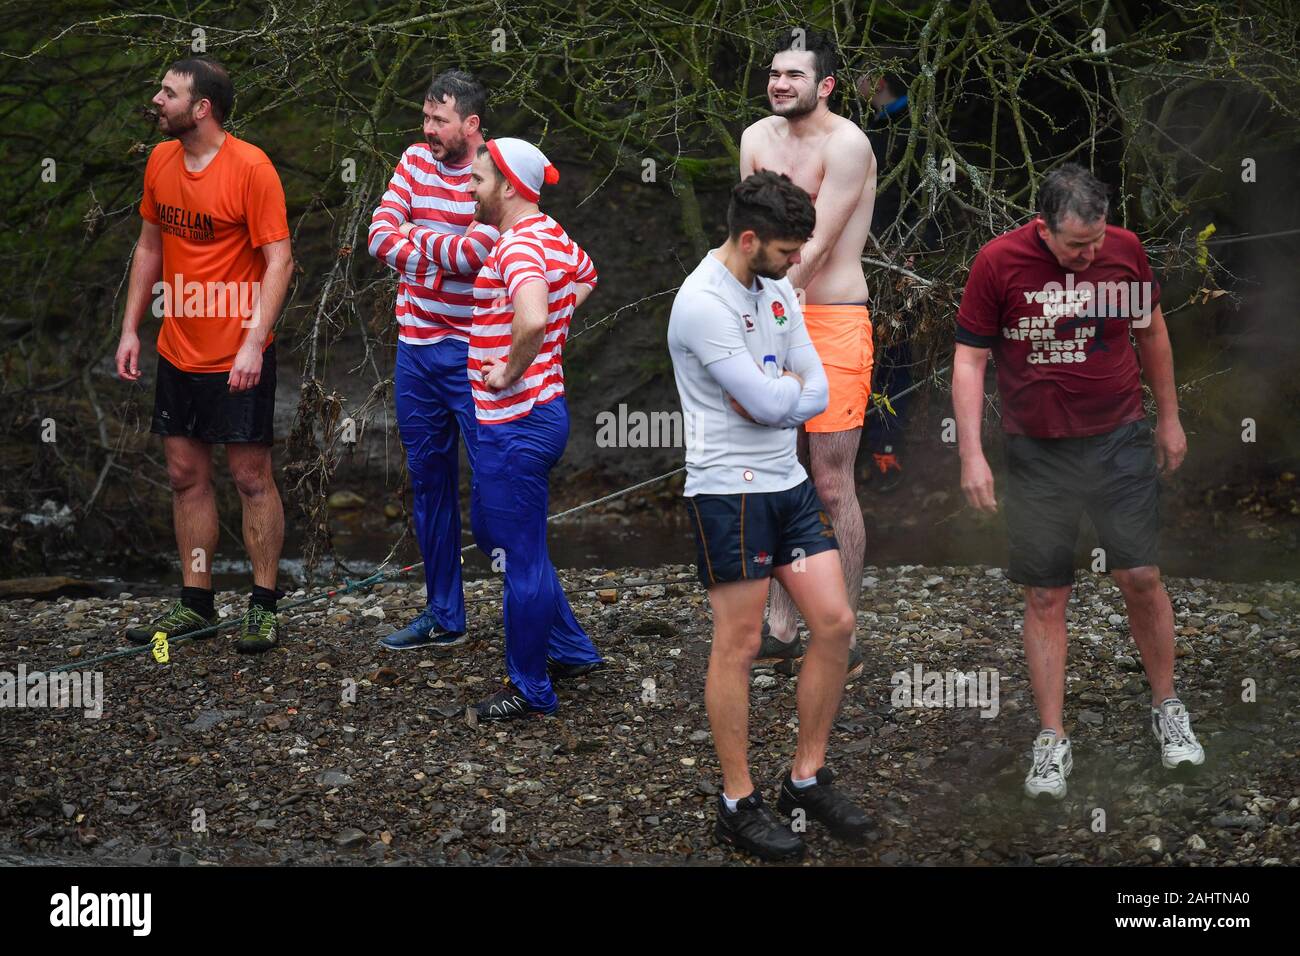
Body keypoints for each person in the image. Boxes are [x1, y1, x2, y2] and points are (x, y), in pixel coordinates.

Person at [952, 162, 1203, 800]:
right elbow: (970, 359)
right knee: (1045, 594)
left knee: (1140, 575)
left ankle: (1167, 706)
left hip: (1119, 436)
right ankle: (1052, 738)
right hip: (1037, 449)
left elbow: (1151, 333)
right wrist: (972, 456)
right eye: (1074, 246)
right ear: (1043, 228)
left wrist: (1169, 419)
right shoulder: (998, 262)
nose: (1089, 256)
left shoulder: (1124, 252)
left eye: (1096, 241)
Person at [669, 171, 871, 861]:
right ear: (749, 237)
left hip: (786, 482)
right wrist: (779, 394)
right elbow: (770, 396)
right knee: (742, 643)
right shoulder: (702, 303)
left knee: (836, 622)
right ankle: (737, 802)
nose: (795, 265)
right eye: (787, 251)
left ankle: (805, 777)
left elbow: (812, 390)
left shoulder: (779, 288)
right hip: (728, 490)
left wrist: (778, 394)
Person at [117, 56, 293, 654]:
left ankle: (264, 606)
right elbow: (148, 248)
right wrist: (130, 329)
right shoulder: (160, 160)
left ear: (202, 109)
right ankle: (196, 603)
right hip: (179, 349)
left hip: (239, 353)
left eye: (168, 92)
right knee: (184, 475)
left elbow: (280, 261)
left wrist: (252, 341)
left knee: (249, 477)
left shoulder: (252, 168)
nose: (157, 99)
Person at [740, 27, 876, 678]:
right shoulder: (756, 138)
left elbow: (814, 239)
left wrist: (781, 293)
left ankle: (839, 632)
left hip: (834, 319)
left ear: (824, 85)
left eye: (794, 75)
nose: (779, 83)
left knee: (829, 477)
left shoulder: (849, 143)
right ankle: (780, 626)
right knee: (773, 470)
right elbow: (752, 229)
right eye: (774, 73)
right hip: (772, 315)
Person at [463, 138, 604, 720]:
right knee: (496, 534)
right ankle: (569, 646)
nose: (469, 189)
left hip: (517, 420)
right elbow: (587, 275)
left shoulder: (518, 246)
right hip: (531, 417)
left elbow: (535, 317)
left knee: (518, 556)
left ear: (509, 186)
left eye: (477, 180)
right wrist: (550, 346)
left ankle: (531, 687)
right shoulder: (549, 234)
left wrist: (513, 367)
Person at [368, 69, 500, 651]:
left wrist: (415, 247)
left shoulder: (495, 168)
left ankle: (539, 620)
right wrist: (431, 253)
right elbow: (377, 233)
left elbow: (478, 251)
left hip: (474, 350)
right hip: (416, 348)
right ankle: (444, 613)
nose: (428, 130)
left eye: (439, 120)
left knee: (496, 486)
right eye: (425, 117)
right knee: (428, 482)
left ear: (470, 124)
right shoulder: (414, 161)